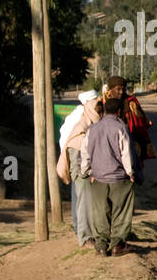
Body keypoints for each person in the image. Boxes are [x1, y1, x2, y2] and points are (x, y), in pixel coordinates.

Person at [80, 97, 137, 256]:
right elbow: (126, 154)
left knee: (100, 213)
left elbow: (85, 153)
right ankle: (118, 245)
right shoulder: (121, 128)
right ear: (119, 112)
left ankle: (101, 246)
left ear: (104, 111)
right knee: (121, 212)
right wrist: (131, 173)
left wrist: (86, 171)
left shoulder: (92, 129)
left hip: (98, 179)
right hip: (119, 179)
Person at [58, 89, 99, 247]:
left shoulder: (79, 114)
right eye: (96, 101)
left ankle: (79, 229)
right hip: (77, 158)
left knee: (79, 195)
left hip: (75, 157)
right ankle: (85, 236)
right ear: (90, 102)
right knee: (84, 196)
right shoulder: (82, 117)